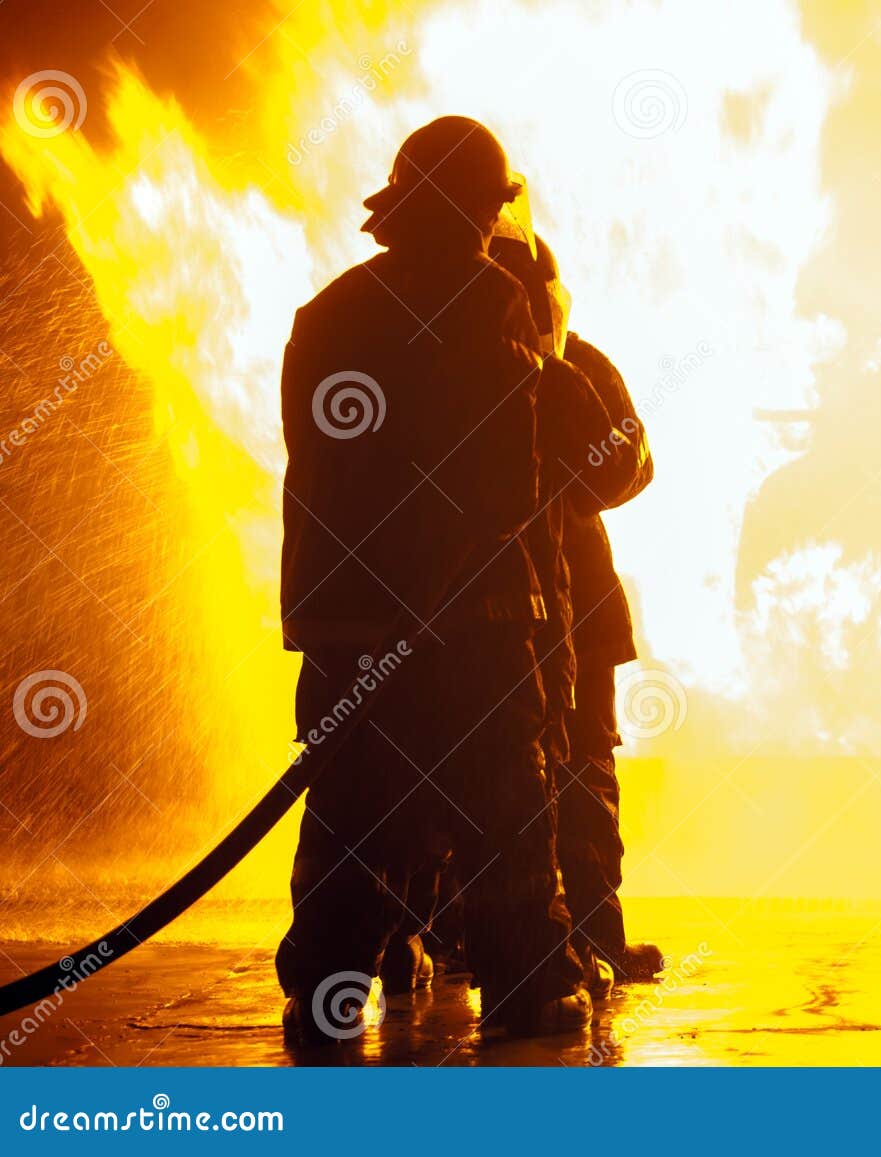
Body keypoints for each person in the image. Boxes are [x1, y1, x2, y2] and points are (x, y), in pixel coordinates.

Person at [275, 116, 588, 1043]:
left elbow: (320, 470)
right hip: (473, 634)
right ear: (479, 212)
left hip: (347, 631)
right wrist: (551, 359)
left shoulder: (326, 313)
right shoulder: (491, 301)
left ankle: (324, 999)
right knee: (505, 821)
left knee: (349, 821)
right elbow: (511, 481)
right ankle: (529, 988)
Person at [487, 216, 665, 982]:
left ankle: (582, 935)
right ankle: (524, 937)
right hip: (511, 612)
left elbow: (622, 469)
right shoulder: (515, 361)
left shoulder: (573, 364)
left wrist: (557, 368)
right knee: (505, 773)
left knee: (574, 769)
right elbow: (623, 470)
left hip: (569, 611)